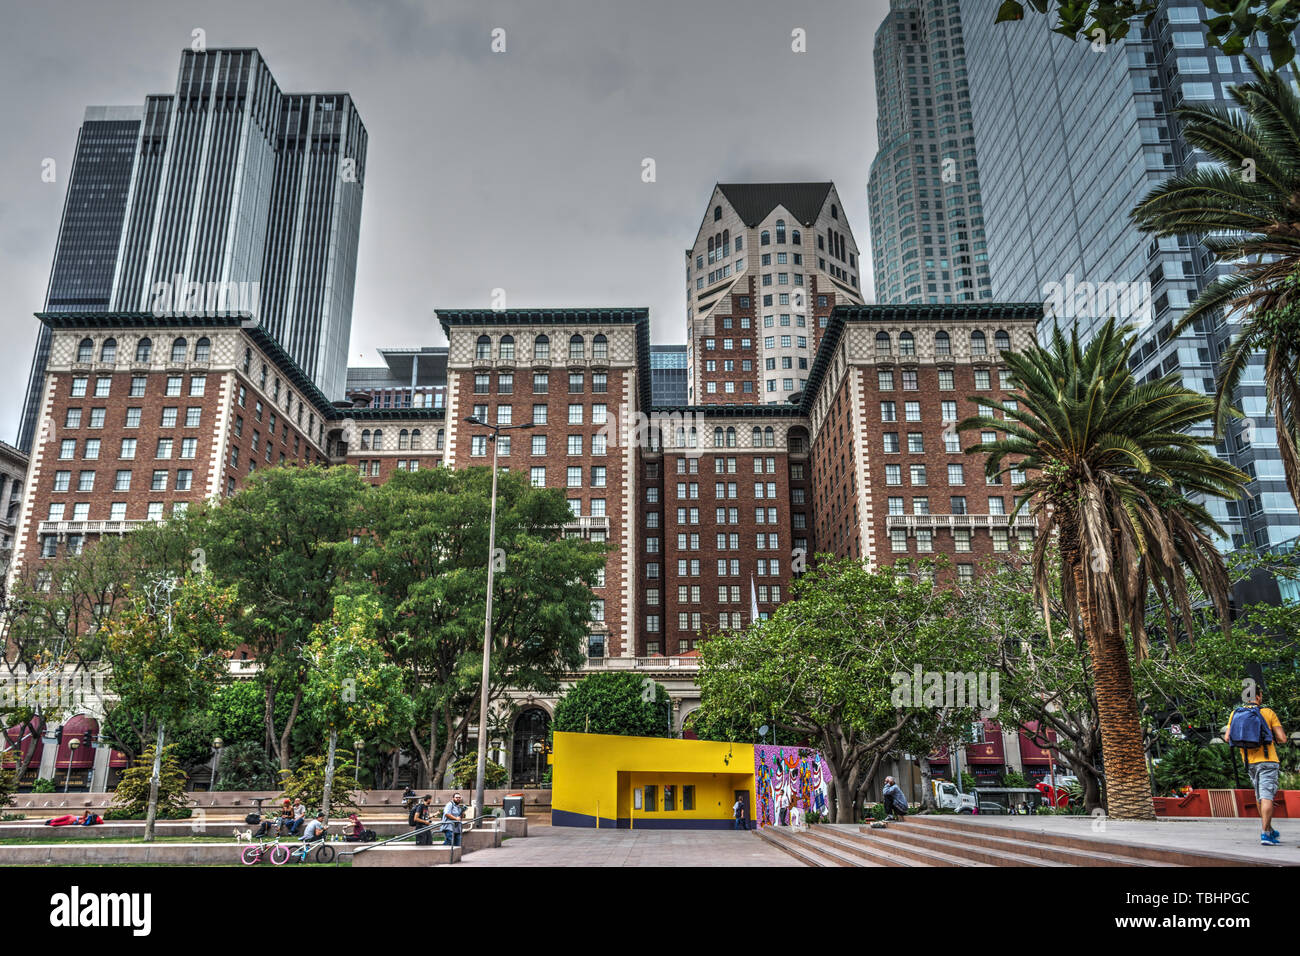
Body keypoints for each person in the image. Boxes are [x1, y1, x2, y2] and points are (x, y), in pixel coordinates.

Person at [1225, 688, 1288, 846]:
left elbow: (1227, 737)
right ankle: (1265, 834)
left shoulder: (1235, 713)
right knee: (1267, 796)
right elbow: (1282, 738)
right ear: (1258, 697)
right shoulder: (1267, 712)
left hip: (1249, 761)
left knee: (1260, 796)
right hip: (1268, 760)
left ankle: (1268, 829)